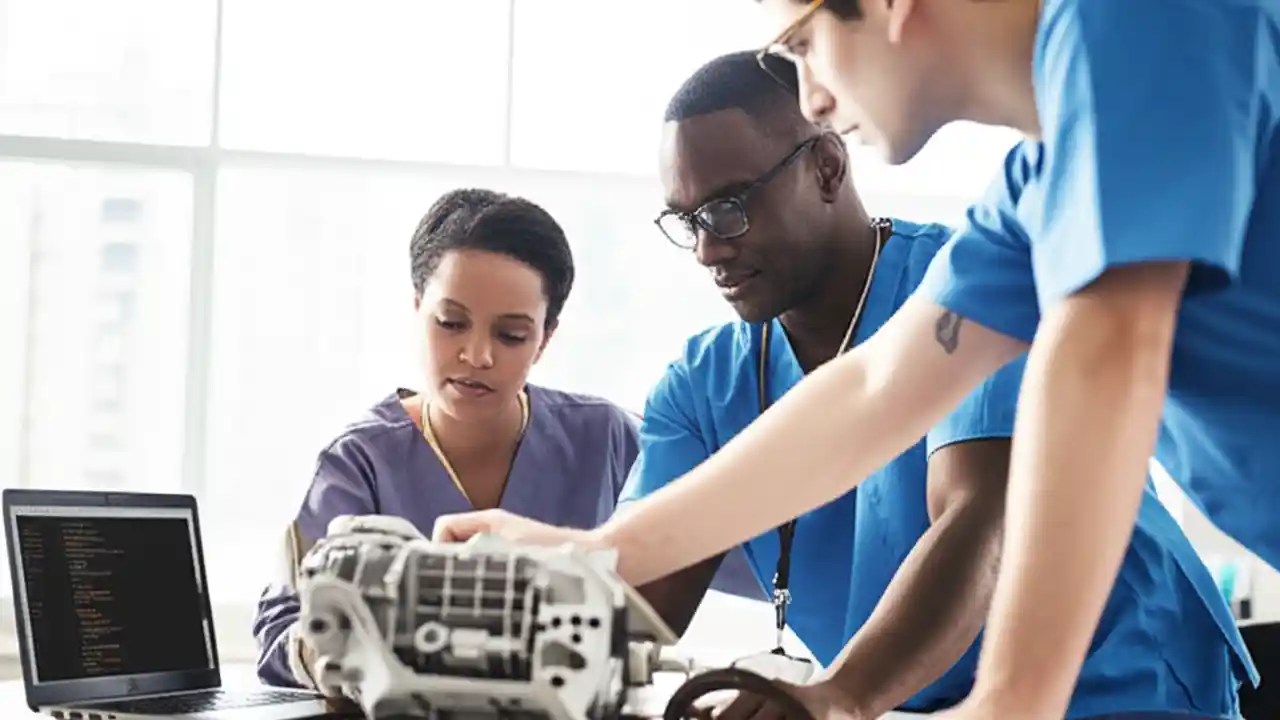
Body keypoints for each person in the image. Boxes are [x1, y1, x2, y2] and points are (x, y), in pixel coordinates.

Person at [438, 1, 1280, 717]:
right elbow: (875, 391)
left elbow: (1100, 356)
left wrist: (1009, 701)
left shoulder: (1145, 17)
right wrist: (589, 554)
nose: (814, 96)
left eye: (803, 45)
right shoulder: (1039, 191)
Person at [251, 188, 643, 689]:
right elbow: (281, 631)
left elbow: (734, 549)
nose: (476, 355)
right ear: (418, 309)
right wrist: (342, 652)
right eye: (451, 323)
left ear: (545, 338)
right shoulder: (361, 461)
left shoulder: (605, 437)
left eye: (511, 335)